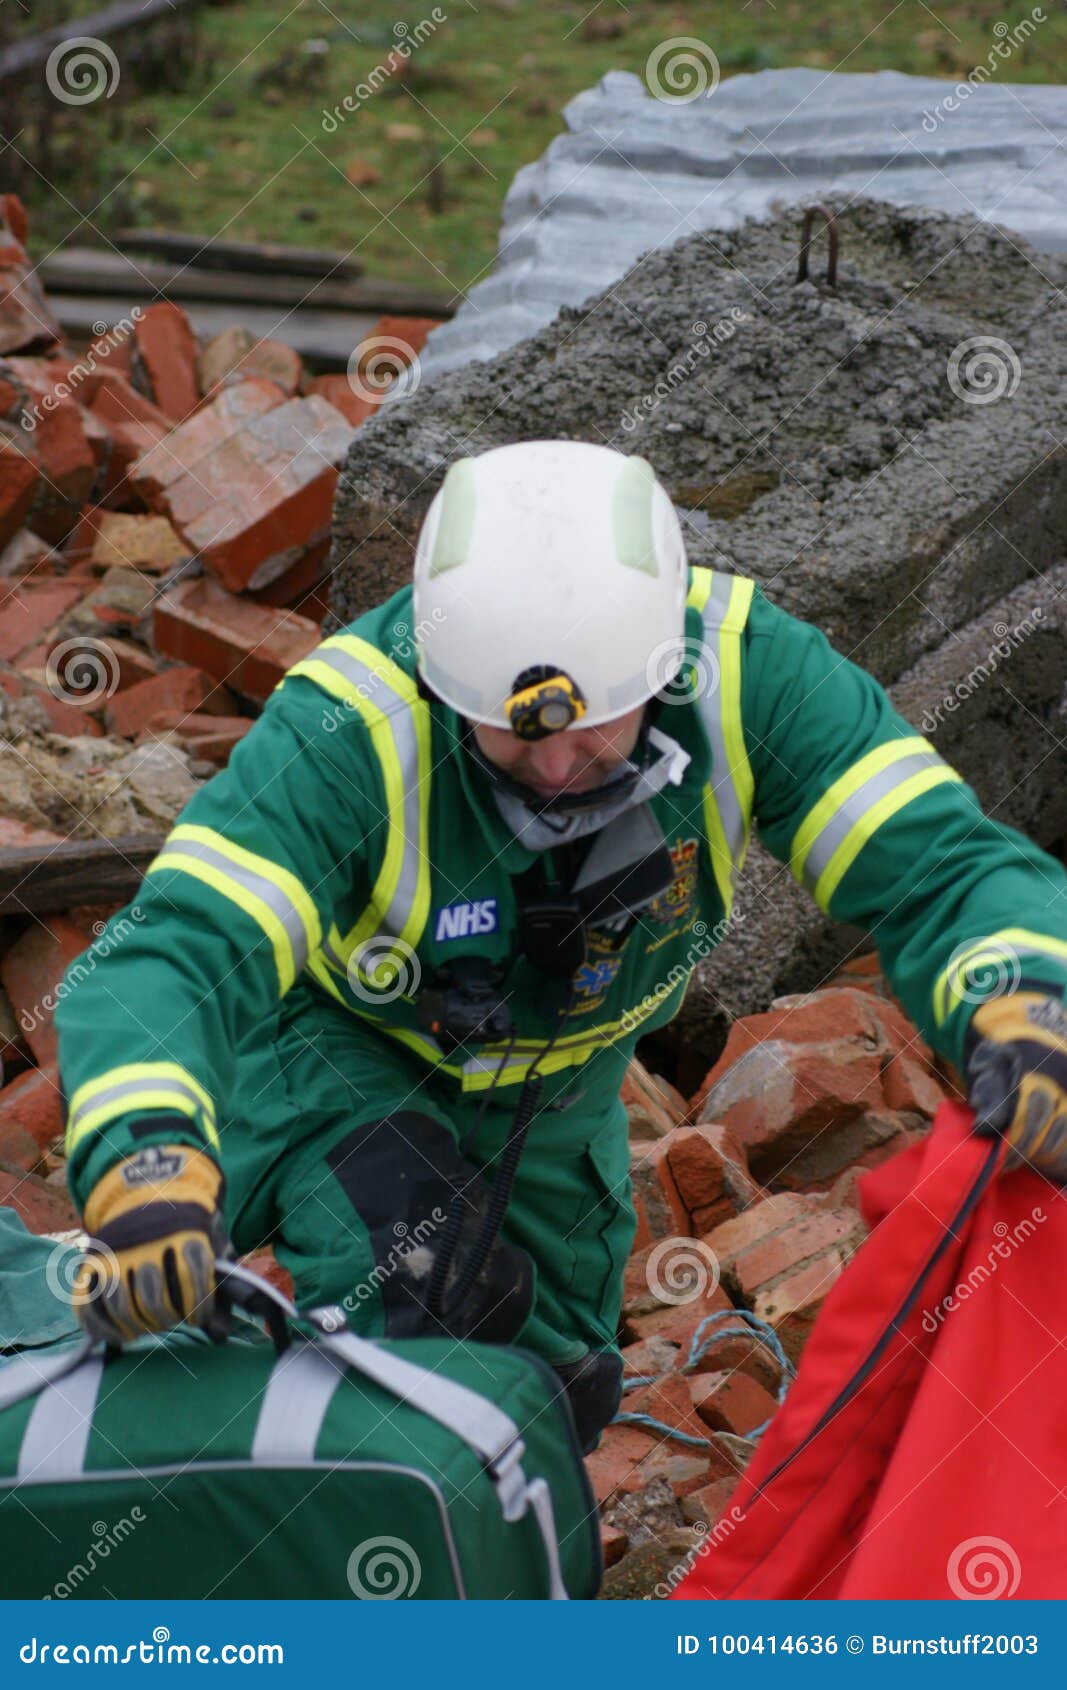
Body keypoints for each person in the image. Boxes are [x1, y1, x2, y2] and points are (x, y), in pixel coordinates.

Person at [55, 440, 1067, 1454]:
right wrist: (144, 1153)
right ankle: (350, 1556)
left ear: (662, 661)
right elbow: (178, 949)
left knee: (551, 1398)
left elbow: (942, 867)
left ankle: (504, 1586)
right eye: (508, 729)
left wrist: (1021, 1000)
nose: (551, 763)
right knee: (416, 1315)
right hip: (345, 1048)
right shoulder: (351, 728)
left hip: (565, 1079)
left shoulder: (749, 676)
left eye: (592, 728)